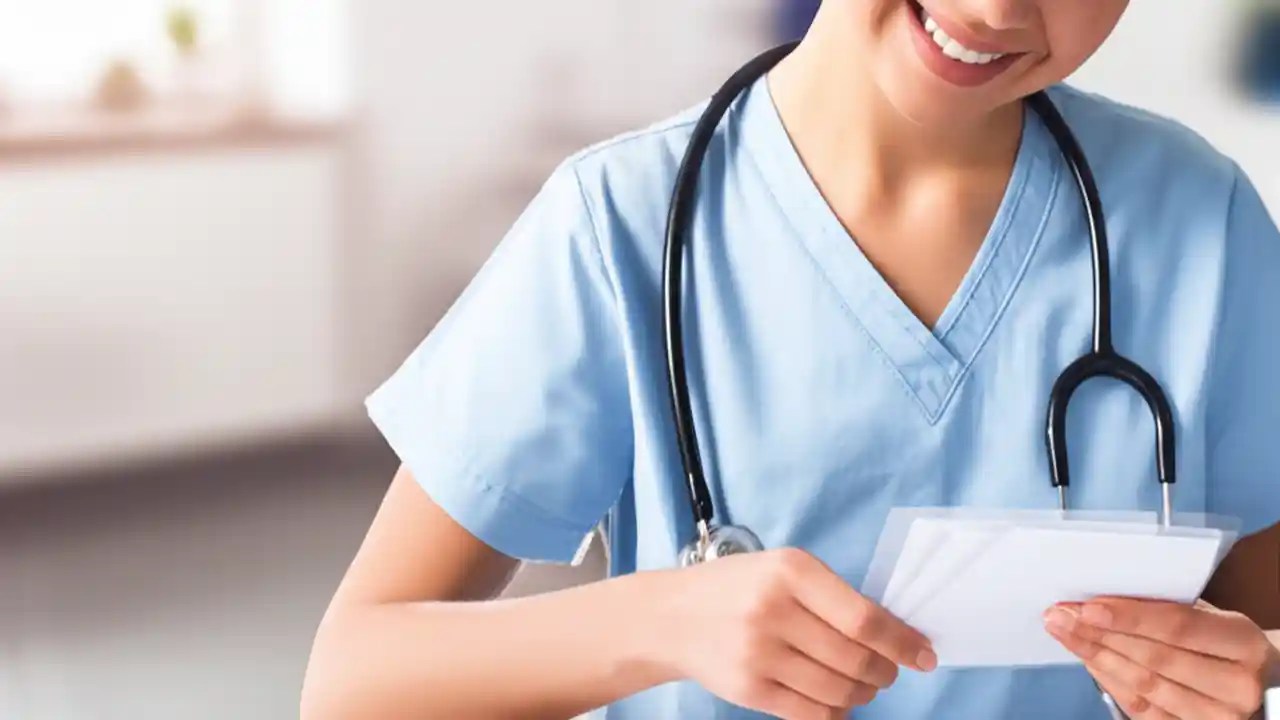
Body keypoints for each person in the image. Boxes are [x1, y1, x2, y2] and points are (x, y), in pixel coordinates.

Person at [301, 1, 1280, 718]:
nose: (993, 9)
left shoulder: (1200, 222)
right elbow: (356, 683)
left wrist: (1247, 672)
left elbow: (1261, 636)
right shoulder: (617, 227)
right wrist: (661, 623)